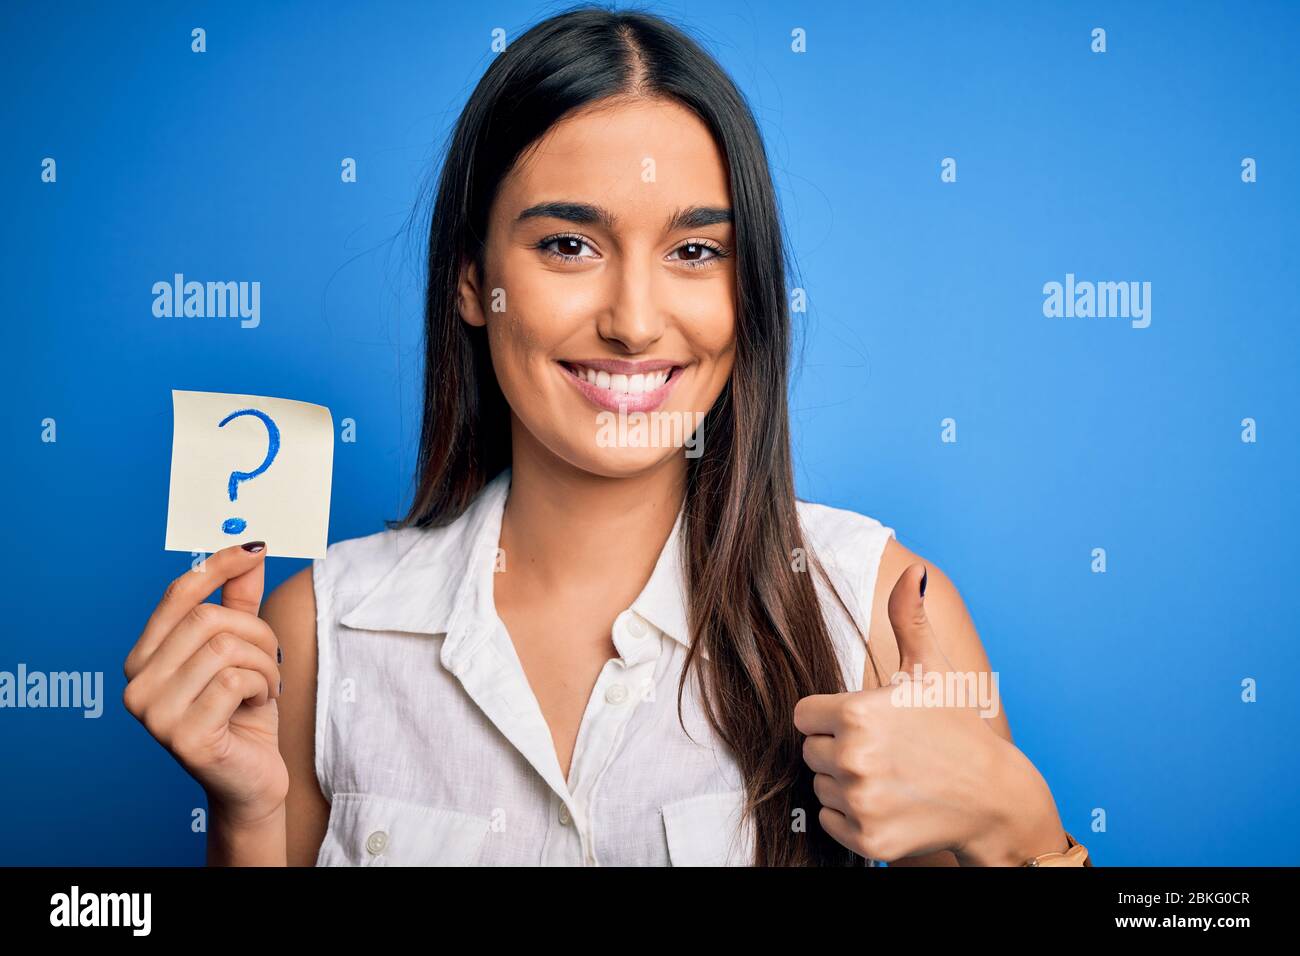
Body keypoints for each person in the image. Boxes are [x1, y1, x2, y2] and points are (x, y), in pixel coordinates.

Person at [123, 6, 1083, 867]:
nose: (633, 320)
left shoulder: (875, 613)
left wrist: (1019, 828)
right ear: (470, 280)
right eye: (567, 246)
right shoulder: (317, 634)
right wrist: (246, 820)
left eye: (695, 251)